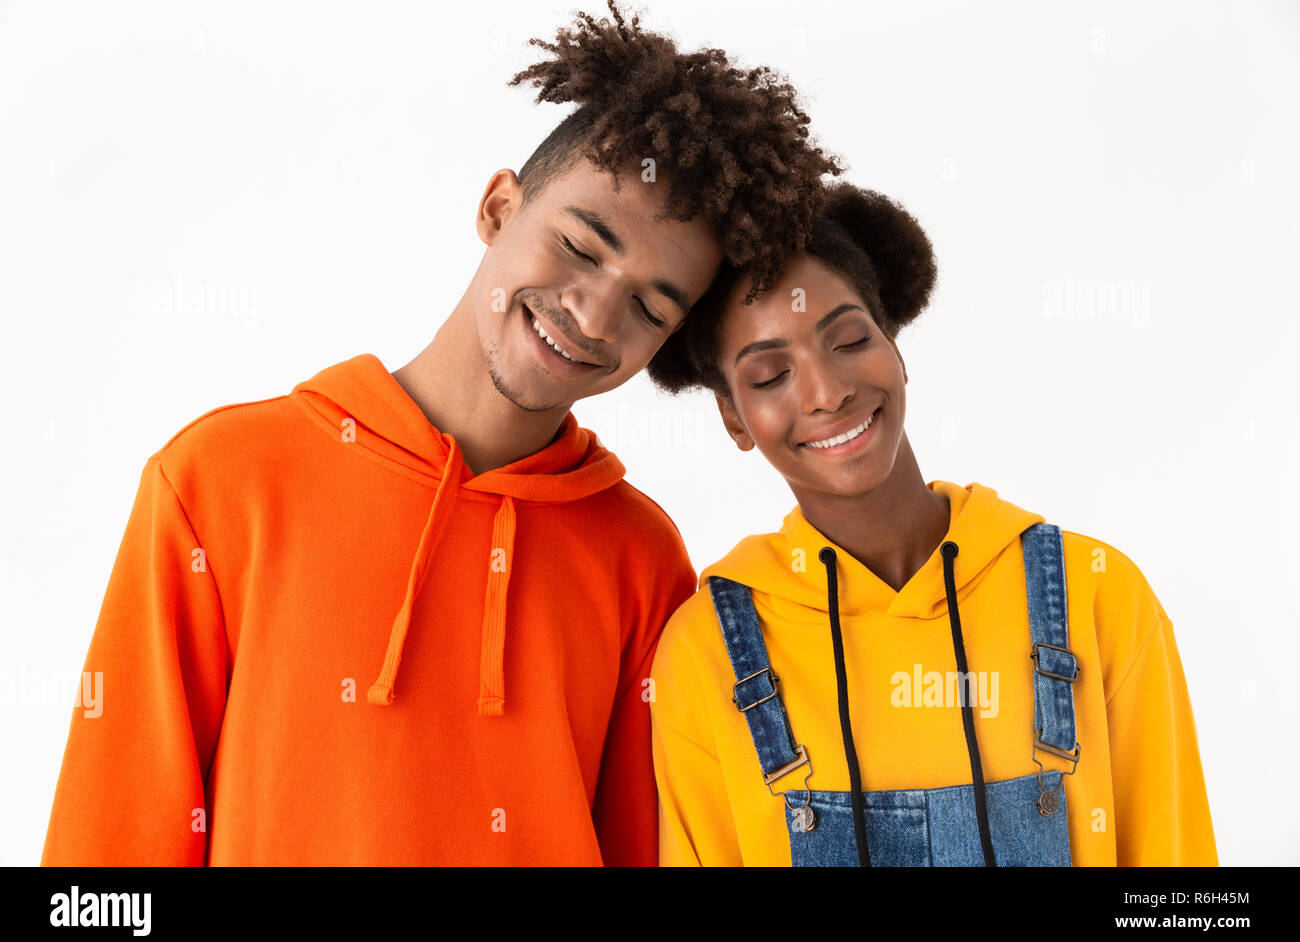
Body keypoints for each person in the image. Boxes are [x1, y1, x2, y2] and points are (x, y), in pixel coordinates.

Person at [40, 0, 841, 865]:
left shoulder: (641, 561)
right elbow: (110, 849)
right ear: (499, 207)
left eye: (650, 306)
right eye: (578, 245)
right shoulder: (222, 482)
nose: (593, 313)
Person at [647, 181, 1217, 866]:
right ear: (734, 418)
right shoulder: (706, 653)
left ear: (895, 345)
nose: (827, 392)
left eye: (851, 339)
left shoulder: (1097, 596)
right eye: (770, 375)